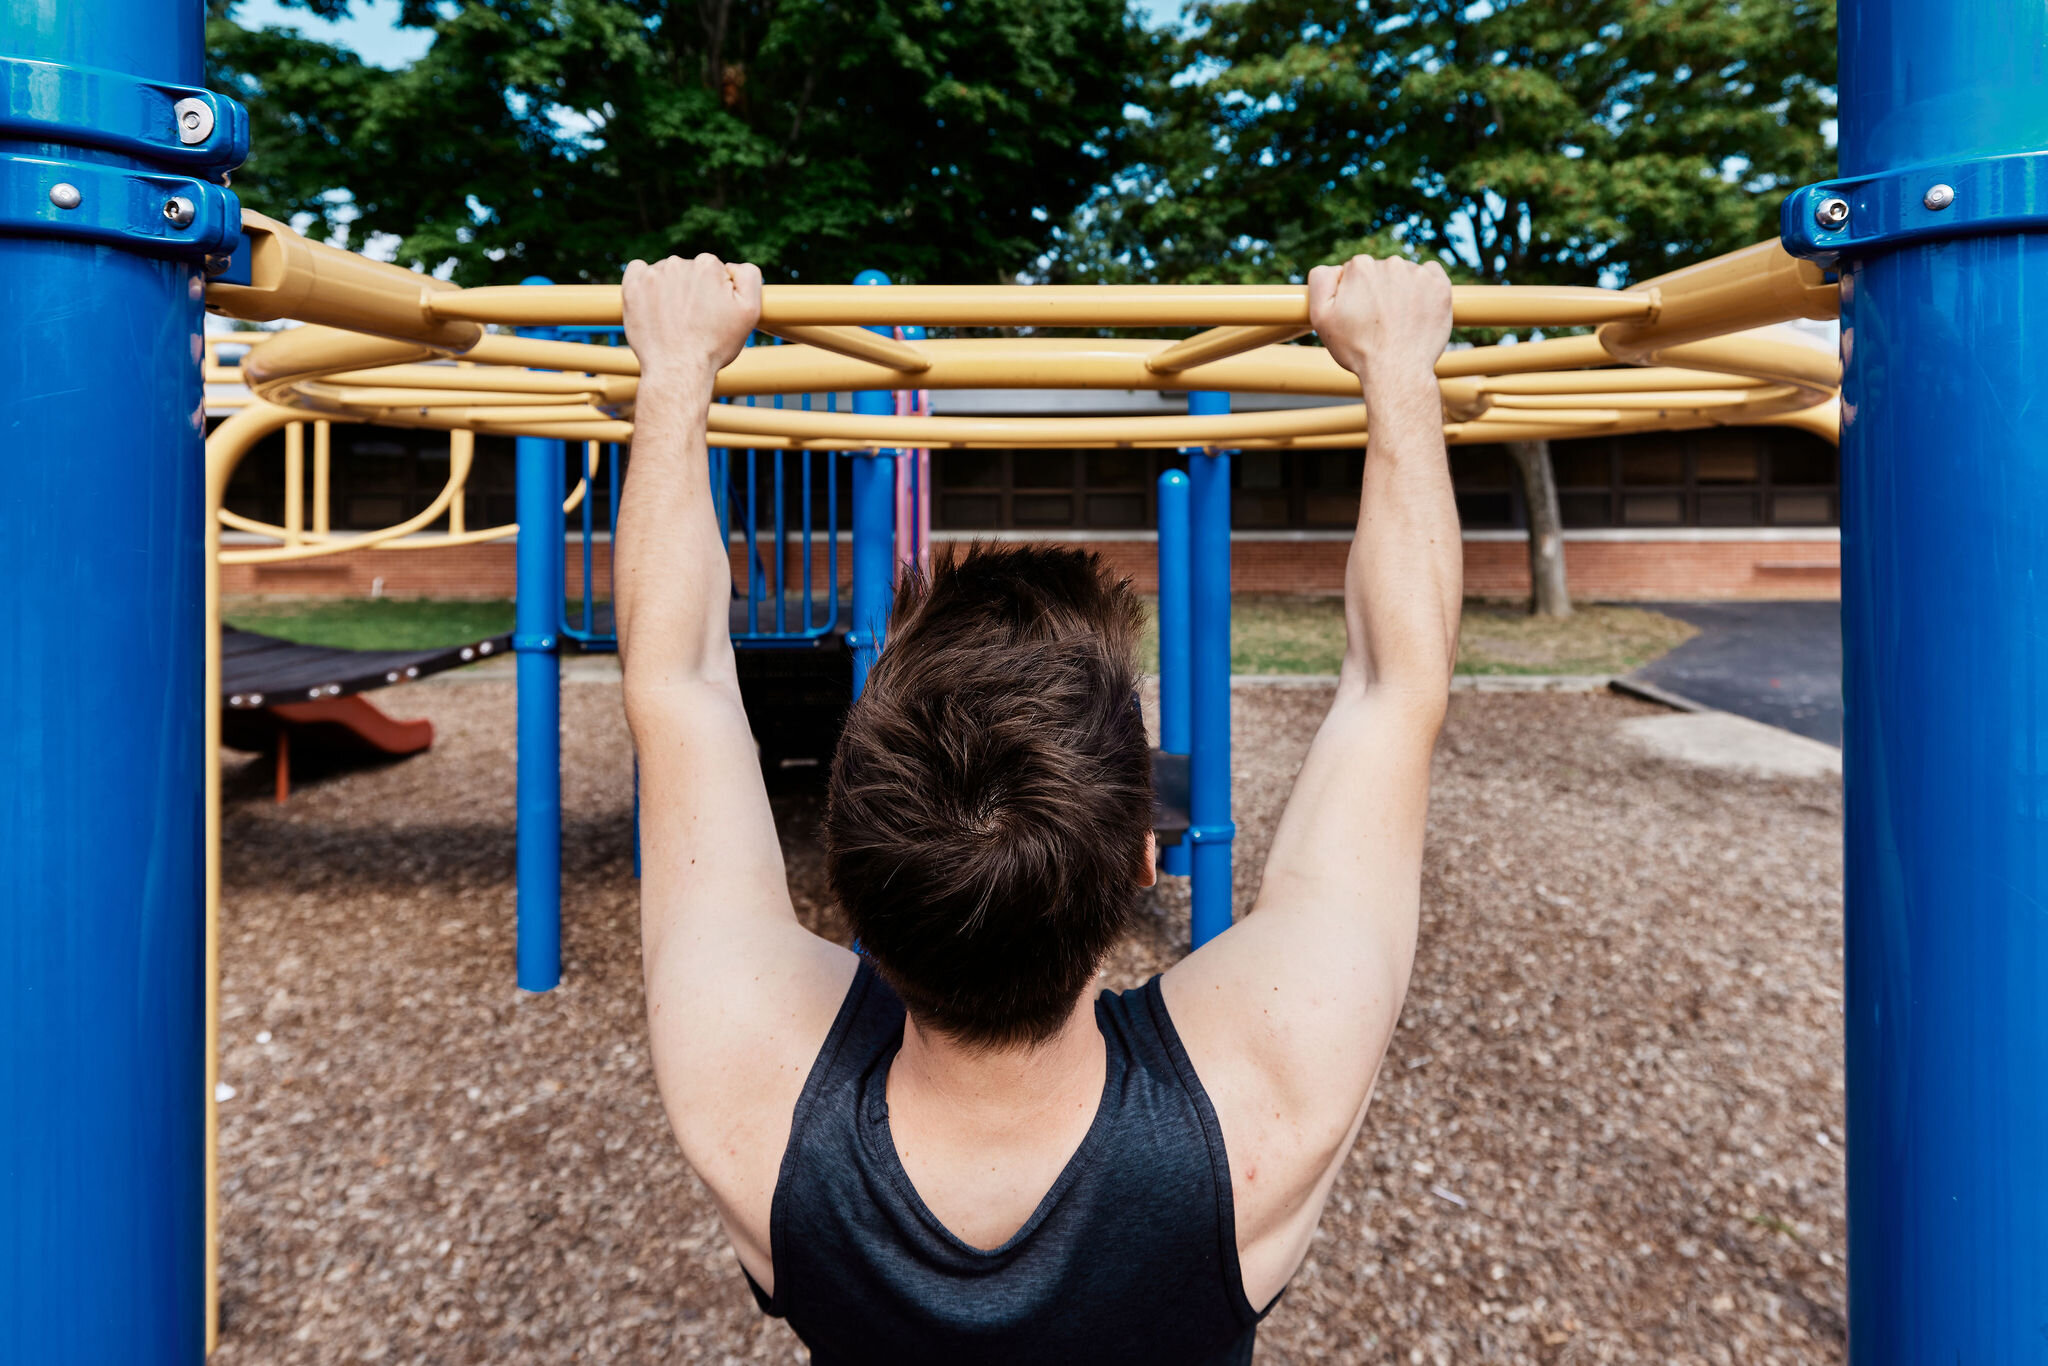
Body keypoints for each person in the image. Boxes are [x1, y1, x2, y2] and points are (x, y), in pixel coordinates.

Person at [613, 251, 1460, 1364]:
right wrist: (1398, 366)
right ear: (1144, 860)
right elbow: (1395, 686)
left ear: (843, 872)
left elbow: (675, 678)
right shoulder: (1268, 1096)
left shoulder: (745, 1097)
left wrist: (676, 368)